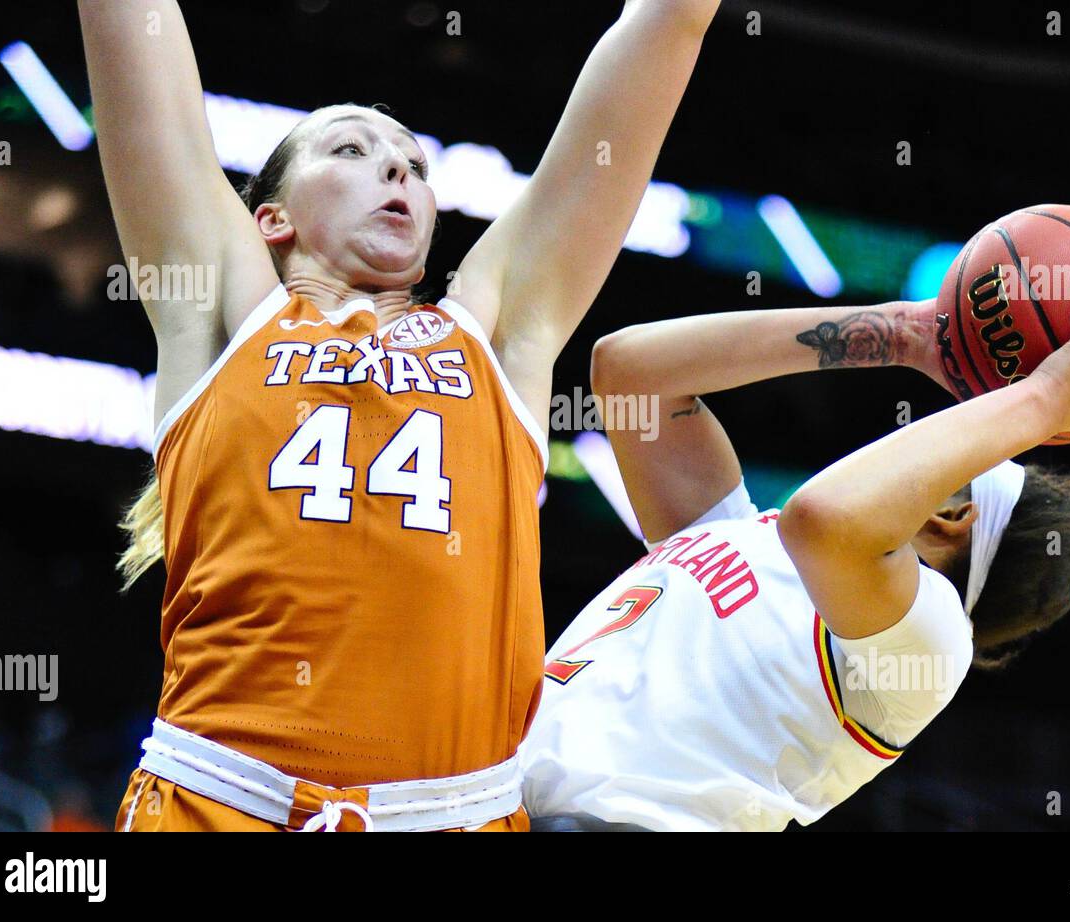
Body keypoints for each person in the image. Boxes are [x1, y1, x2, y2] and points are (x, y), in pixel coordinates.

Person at [77, 0, 721, 831]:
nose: (399, 174)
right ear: (269, 217)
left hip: (453, 812)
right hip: (221, 797)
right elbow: (133, 32)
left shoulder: (497, 334)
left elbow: (663, 29)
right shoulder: (220, 315)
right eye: (353, 150)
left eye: (417, 169)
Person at [520, 259, 1070, 831]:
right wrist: (902, 333)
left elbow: (825, 519)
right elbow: (630, 371)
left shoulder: (930, 641)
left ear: (951, 513)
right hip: (486, 807)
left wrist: (1047, 399)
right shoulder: (734, 528)